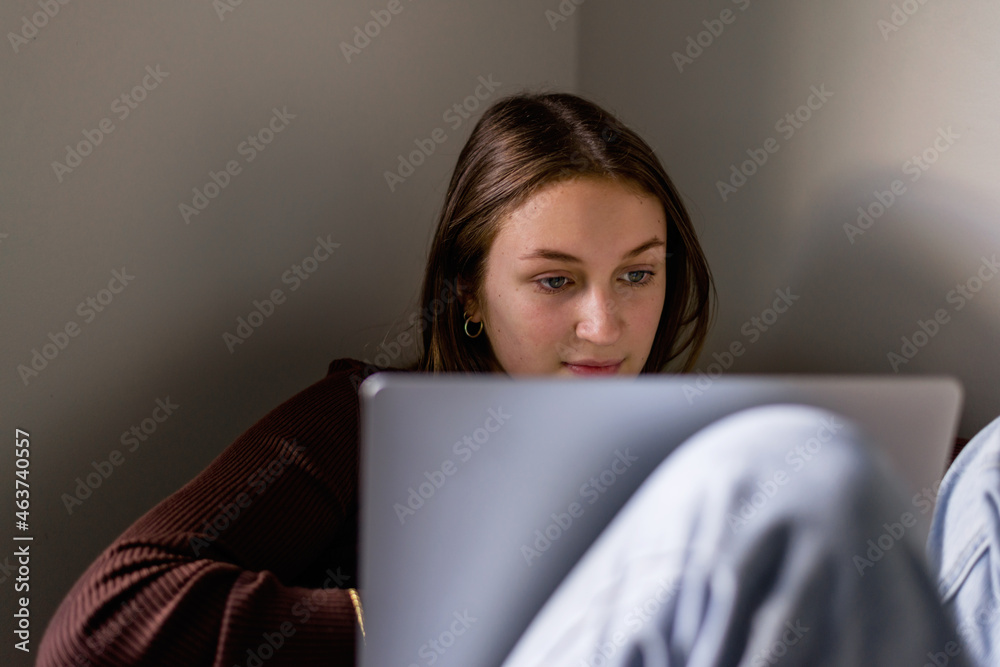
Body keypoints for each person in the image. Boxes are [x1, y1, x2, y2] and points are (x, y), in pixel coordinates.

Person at [36, 91, 997, 666]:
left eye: (637, 273)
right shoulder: (358, 422)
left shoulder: (704, 435)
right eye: (552, 280)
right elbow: (100, 626)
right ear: (469, 291)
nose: (605, 324)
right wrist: (449, 613)